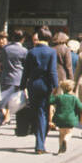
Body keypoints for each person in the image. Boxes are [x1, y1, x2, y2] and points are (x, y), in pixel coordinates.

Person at [20, 26, 59, 154]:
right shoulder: (51, 52)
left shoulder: (31, 52)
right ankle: (40, 145)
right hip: (45, 85)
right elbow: (53, 71)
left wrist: (22, 86)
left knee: (36, 112)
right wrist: (56, 86)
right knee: (43, 113)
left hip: (33, 84)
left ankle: (39, 139)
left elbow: (25, 71)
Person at [0, 30, 27, 134]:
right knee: (19, 103)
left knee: (2, 101)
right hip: (20, 79)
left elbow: (0, 64)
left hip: (6, 78)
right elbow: (26, 66)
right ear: (23, 39)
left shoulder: (5, 49)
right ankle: (19, 127)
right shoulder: (24, 51)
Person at [49, 80, 82, 155]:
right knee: (69, 133)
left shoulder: (59, 97)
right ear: (72, 88)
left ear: (62, 88)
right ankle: (65, 140)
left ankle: (60, 149)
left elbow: (50, 101)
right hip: (70, 119)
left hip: (60, 119)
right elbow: (80, 107)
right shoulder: (74, 98)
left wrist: (53, 93)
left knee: (61, 134)